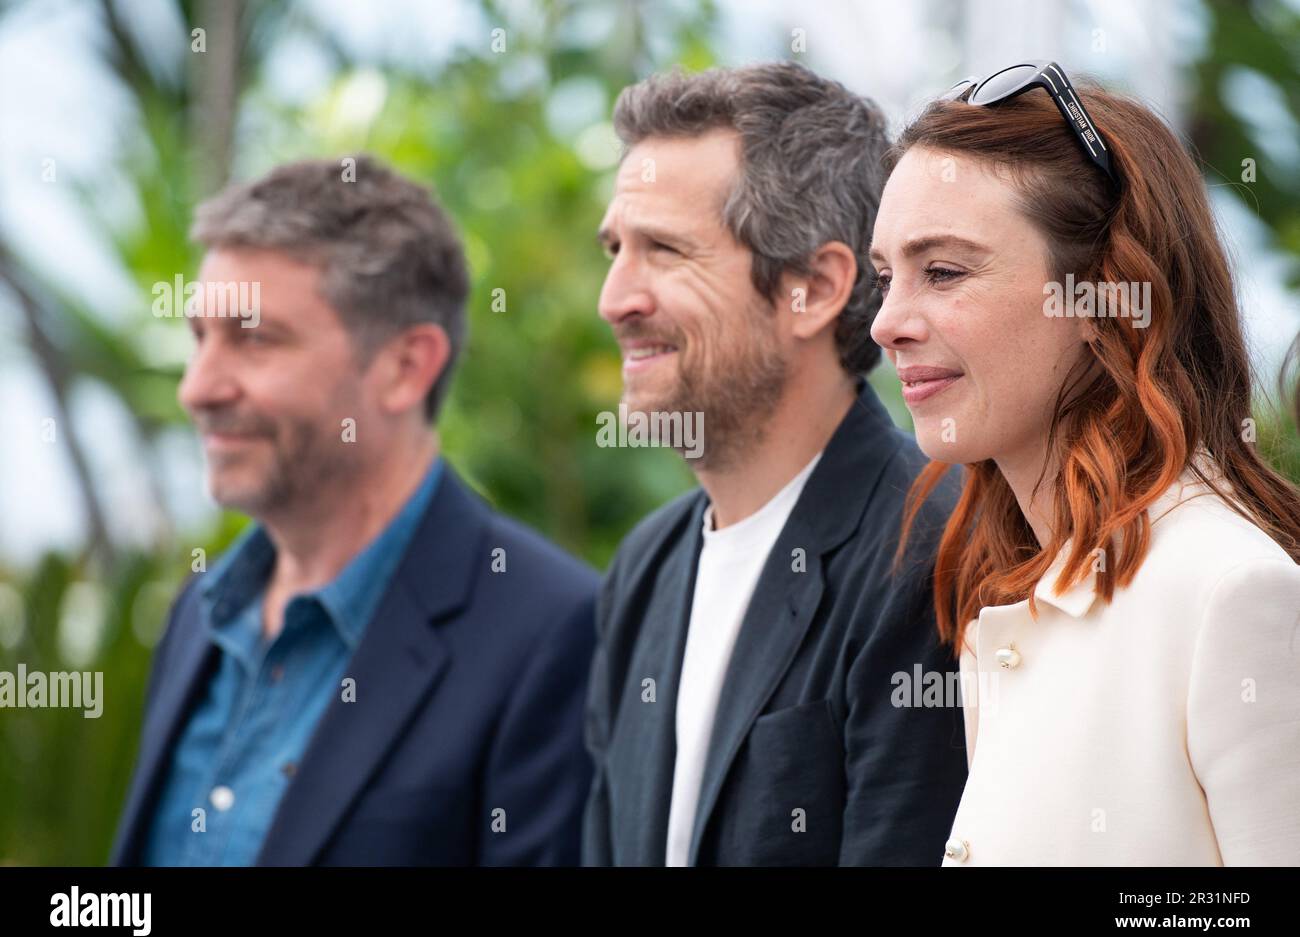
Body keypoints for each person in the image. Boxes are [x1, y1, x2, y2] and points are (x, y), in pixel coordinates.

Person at [869, 61, 1300, 866]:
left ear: (1106, 294)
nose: (886, 322)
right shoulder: (1011, 603)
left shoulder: (1232, 591)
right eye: (886, 276)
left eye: (946, 271)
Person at [111, 156, 597, 866]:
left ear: (406, 367)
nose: (198, 387)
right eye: (199, 338)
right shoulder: (199, 611)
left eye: (254, 339)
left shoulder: (552, 634)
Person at [582, 62, 968, 867]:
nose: (614, 298)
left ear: (815, 287)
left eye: (664, 250)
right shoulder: (644, 571)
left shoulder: (935, 552)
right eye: (617, 248)